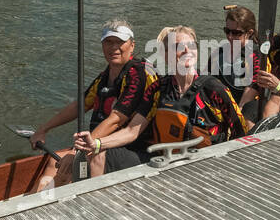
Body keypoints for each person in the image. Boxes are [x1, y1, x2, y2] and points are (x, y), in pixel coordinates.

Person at [81, 26, 246, 160]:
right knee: (98, 156)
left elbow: (242, 130)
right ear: (165, 55)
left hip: (203, 164)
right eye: (179, 47)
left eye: (192, 45)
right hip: (162, 160)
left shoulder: (213, 89)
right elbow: (132, 131)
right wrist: (96, 143)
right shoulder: (157, 88)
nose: (187, 50)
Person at [31, 19, 156, 185]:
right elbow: (79, 105)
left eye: (120, 42)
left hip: (132, 149)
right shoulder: (105, 76)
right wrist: (43, 129)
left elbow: (116, 120)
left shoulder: (139, 74)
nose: (113, 47)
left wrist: (77, 152)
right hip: (98, 145)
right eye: (108, 42)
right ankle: (36, 201)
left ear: (132, 45)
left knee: (82, 163)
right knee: (55, 163)